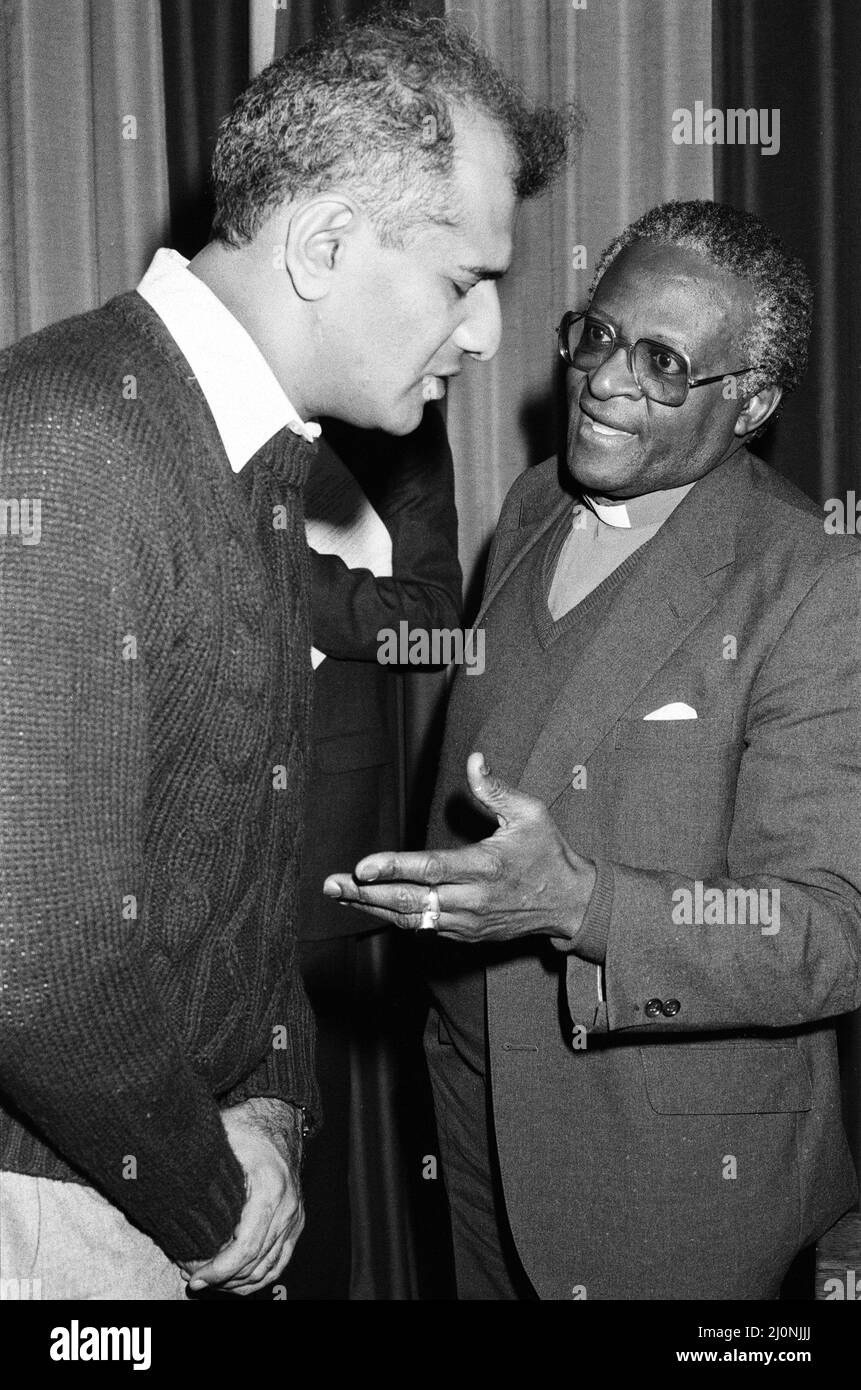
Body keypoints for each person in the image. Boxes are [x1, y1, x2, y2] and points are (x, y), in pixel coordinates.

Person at [0, 10, 570, 1299]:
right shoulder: (67, 438)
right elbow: (30, 952)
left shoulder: (251, 467)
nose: (486, 336)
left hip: (151, 1179)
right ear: (323, 245)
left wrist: (269, 1107)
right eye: (463, 280)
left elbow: (245, 871)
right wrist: (213, 1199)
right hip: (53, 1213)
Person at [325, 199, 861, 1300]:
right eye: (599, 335)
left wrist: (582, 906)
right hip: (472, 1109)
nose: (607, 380)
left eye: (665, 363)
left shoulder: (814, 585)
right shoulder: (535, 502)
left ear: (750, 402)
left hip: (661, 1175)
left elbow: (832, 929)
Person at [282, 405, 462, 1300]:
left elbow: (433, 622)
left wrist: (277, 573)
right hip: (155, 836)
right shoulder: (178, 391)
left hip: (315, 844)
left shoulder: (400, 422)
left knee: (300, 1148)